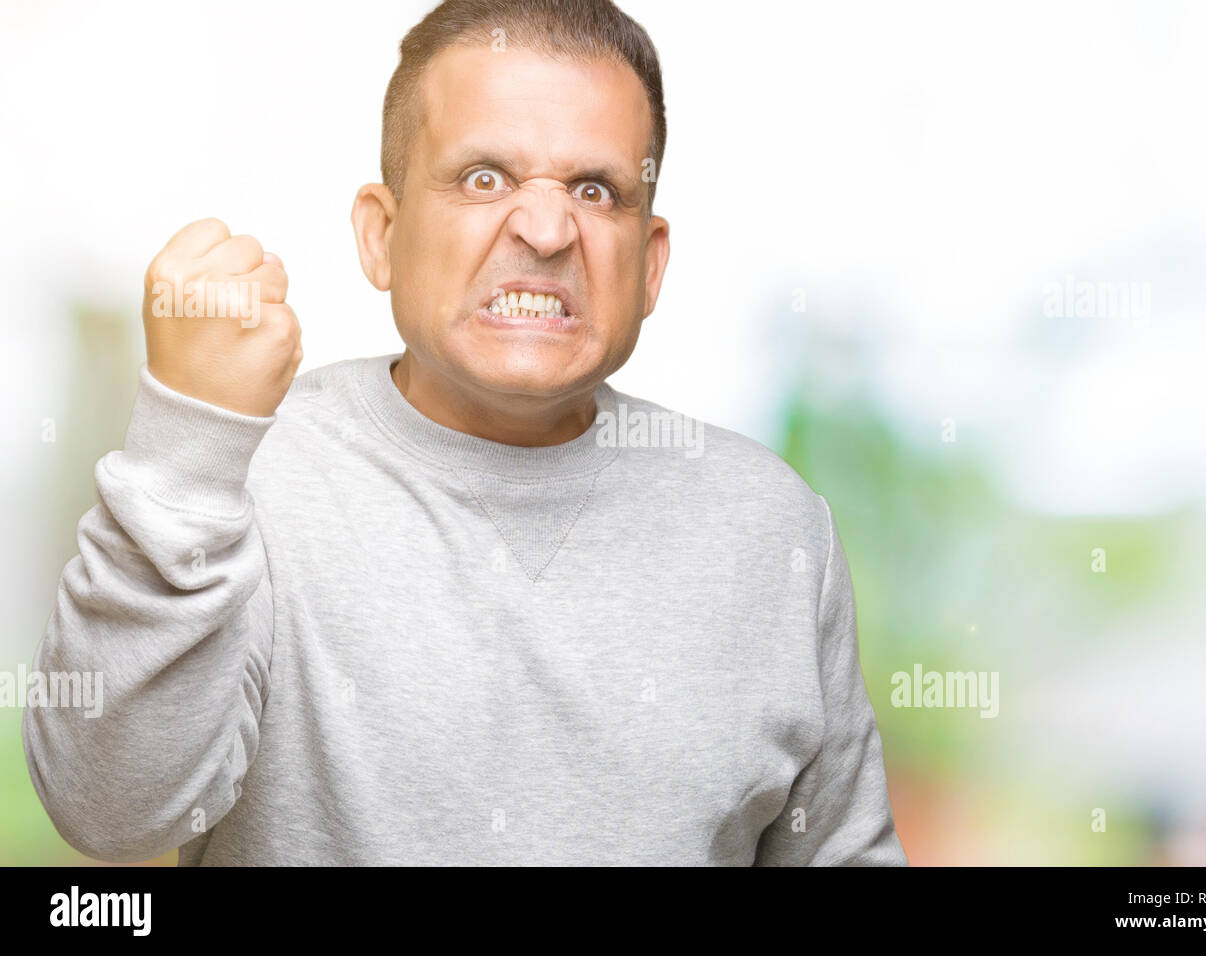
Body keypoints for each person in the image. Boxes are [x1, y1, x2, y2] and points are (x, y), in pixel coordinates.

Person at [22, 0, 907, 866]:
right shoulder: (244, 481)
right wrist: (187, 446)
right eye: (485, 177)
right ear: (381, 234)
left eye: (596, 191)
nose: (548, 227)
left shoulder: (773, 531)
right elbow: (107, 816)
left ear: (650, 262)